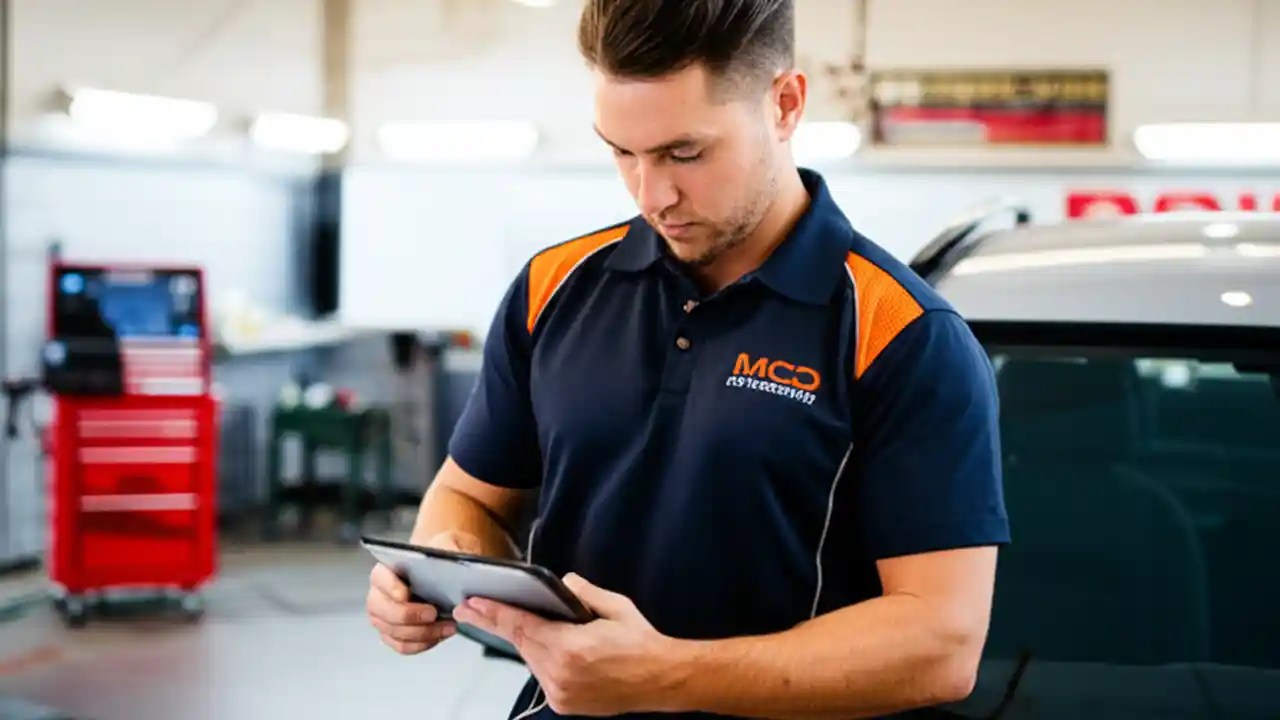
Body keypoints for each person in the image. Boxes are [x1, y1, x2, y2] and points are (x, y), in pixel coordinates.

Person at [366, 1, 1010, 717]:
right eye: (622, 152)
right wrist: (442, 563)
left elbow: (940, 643)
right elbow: (469, 495)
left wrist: (664, 674)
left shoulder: (900, 332)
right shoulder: (554, 289)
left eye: (684, 153)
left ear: (785, 104)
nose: (653, 195)